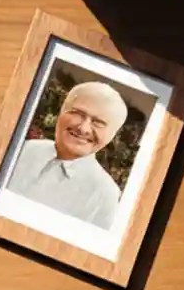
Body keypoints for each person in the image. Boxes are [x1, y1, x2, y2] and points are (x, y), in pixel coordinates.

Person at [7, 80, 127, 229]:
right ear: (61, 113)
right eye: (78, 114)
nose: (83, 128)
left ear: (112, 135)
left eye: (98, 122)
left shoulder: (106, 194)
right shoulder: (23, 149)